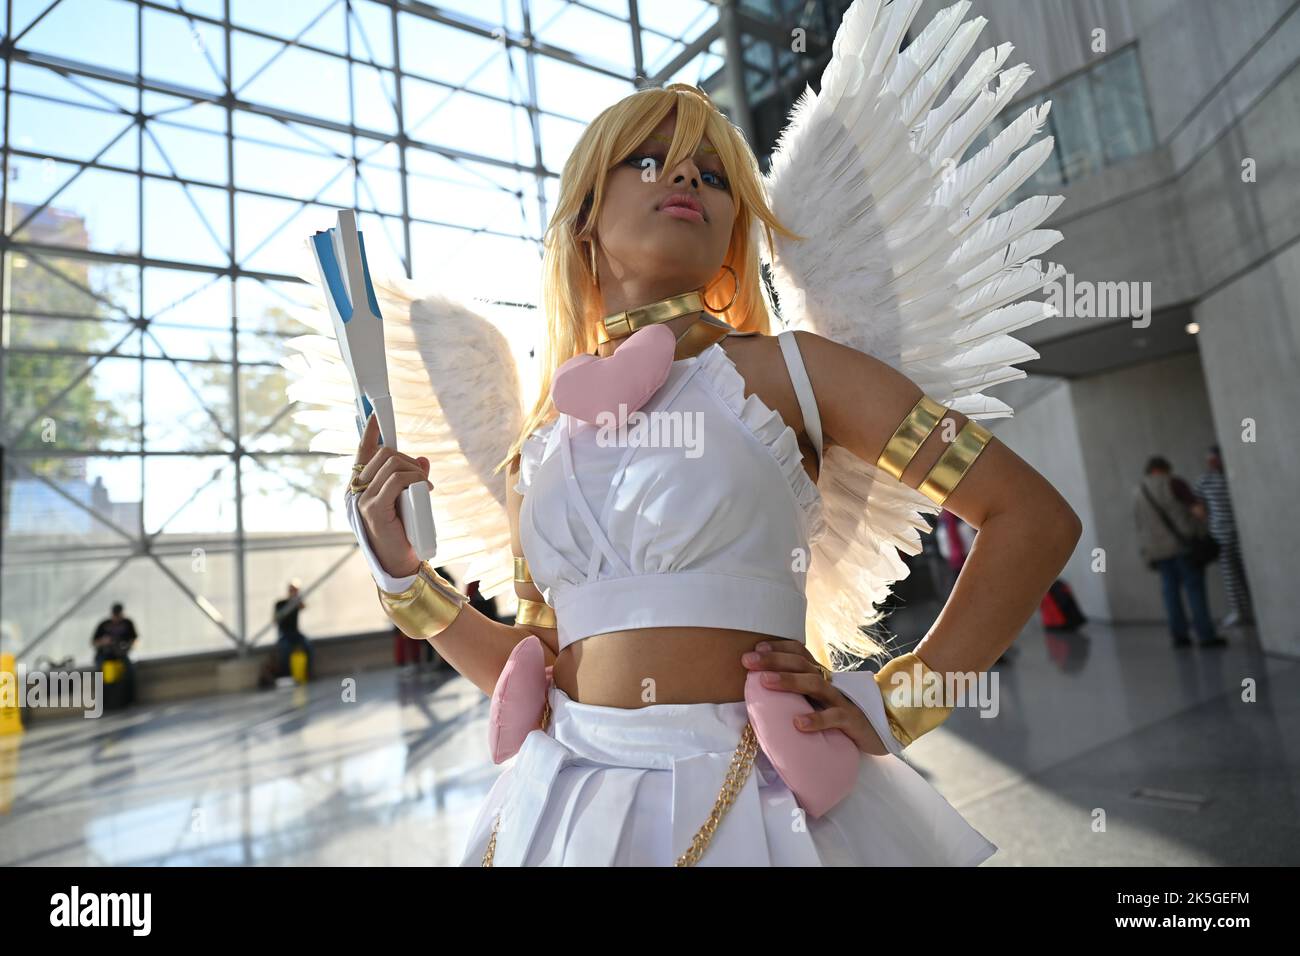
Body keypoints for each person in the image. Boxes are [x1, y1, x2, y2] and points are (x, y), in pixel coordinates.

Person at [294, 6, 1080, 866]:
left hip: (763, 797)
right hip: (561, 810)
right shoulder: (538, 444)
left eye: (713, 174)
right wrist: (403, 576)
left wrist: (902, 702)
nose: (686, 180)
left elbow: (1028, 516)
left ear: (735, 227)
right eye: (649, 160)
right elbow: (545, 660)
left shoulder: (800, 372)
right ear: (586, 215)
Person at [1134, 456, 1225, 648]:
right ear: (1165, 468)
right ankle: (1206, 635)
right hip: (1183, 546)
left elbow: (1139, 525)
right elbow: (1198, 510)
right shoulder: (1173, 483)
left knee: (1170, 593)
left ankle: (1179, 636)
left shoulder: (1138, 491)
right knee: (1194, 590)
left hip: (1158, 551)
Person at [1194, 445, 1253, 627]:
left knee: (1248, 571)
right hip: (1220, 533)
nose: (1211, 462)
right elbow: (1199, 506)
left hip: (1243, 532)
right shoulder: (1205, 480)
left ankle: (1254, 607)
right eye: (1209, 459)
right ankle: (1239, 611)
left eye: (1214, 459)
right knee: (1230, 574)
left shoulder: (1235, 475)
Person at [91, 602, 138, 706]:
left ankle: (129, 699)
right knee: (99, 671)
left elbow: (134, 639)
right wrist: (104, 642)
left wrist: (127, 647)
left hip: (121, 654)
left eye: (119, 615)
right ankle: (102, 701)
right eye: (115, 615)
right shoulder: (104, 624)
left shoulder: (127, 623)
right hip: (105, 654)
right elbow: (94, 642)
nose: (117, 618)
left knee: (130, 670)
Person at [273, 580, 313, 680]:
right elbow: (275, 619)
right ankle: (287, 675)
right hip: (284, 633)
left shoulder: (296, 603)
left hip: (295, 633)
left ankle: (306, 673)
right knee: (286, 650)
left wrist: (296, 601)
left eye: (295, 591)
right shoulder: (280, 603)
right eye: (292, 591)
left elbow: (304, 606)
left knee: (308, 646)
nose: (293, 593)